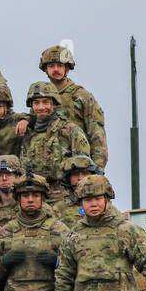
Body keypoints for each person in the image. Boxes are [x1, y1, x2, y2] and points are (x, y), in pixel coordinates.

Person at [19, 81, 90, 211]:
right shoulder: (27, 133)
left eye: (45, 102)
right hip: (35, 199)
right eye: (36, 103)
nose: (41, 107)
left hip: (65, 199)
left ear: (54, 104)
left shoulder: (70, 131)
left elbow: (84, 167)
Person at [35, 45, 107, 167]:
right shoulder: (40, 97)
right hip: (49, 165)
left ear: (67, 68)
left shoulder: (82, 96)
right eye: (51, 66)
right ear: (45, 69)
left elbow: (97, 134)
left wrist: (97, 168)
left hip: (77, 166)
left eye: (60, 65)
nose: (56, 69)